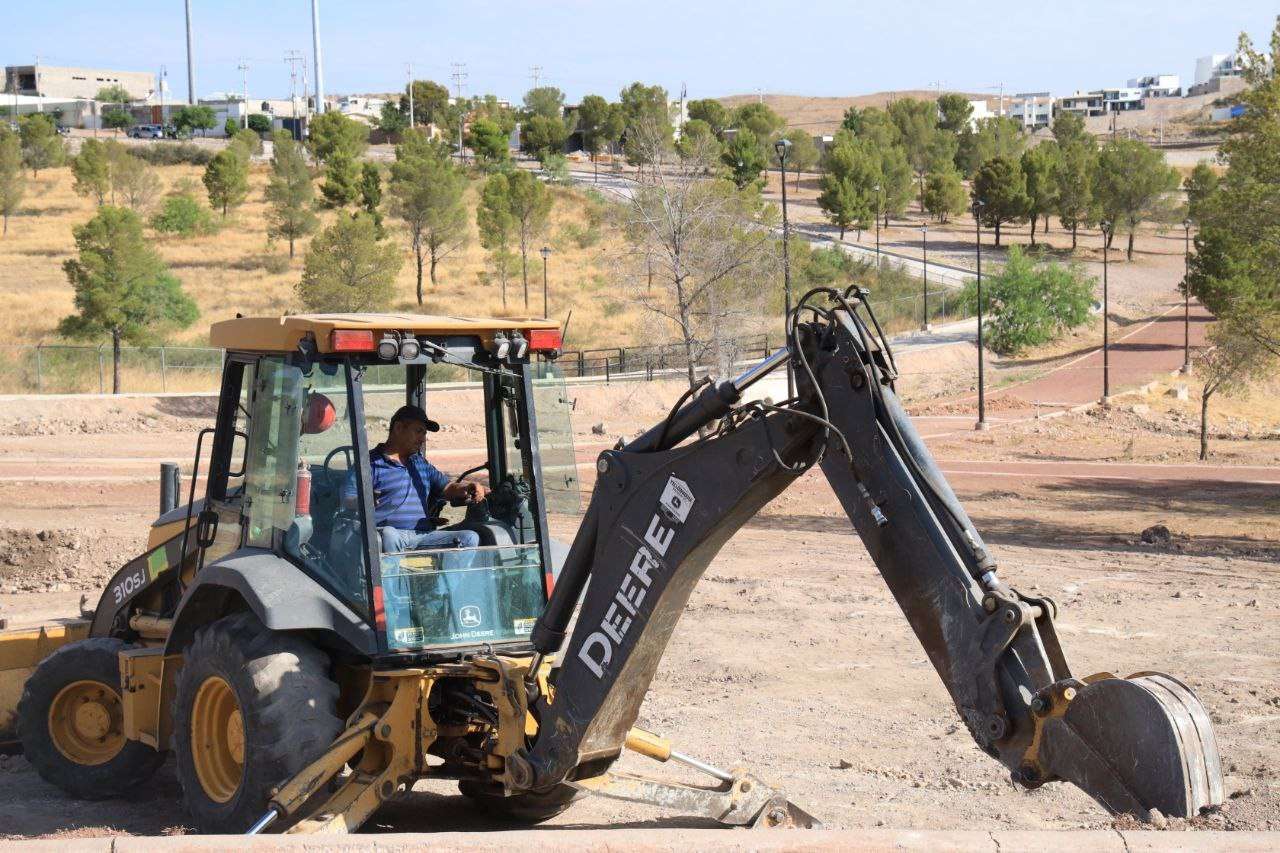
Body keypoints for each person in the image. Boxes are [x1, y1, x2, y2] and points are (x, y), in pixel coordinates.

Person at [343, 404, 488, 559]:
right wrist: (364, 500)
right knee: (389, 534)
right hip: (387, 534)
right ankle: (391, 584)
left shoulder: (420, 464)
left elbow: (448, 487)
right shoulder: (368, 463)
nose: (423, 439)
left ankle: (441, 585)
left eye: (424, 433)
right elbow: (347, 499)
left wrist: (468, 488)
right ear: (398, 428)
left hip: (422, 535)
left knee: (469, 538)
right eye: (418, 431)